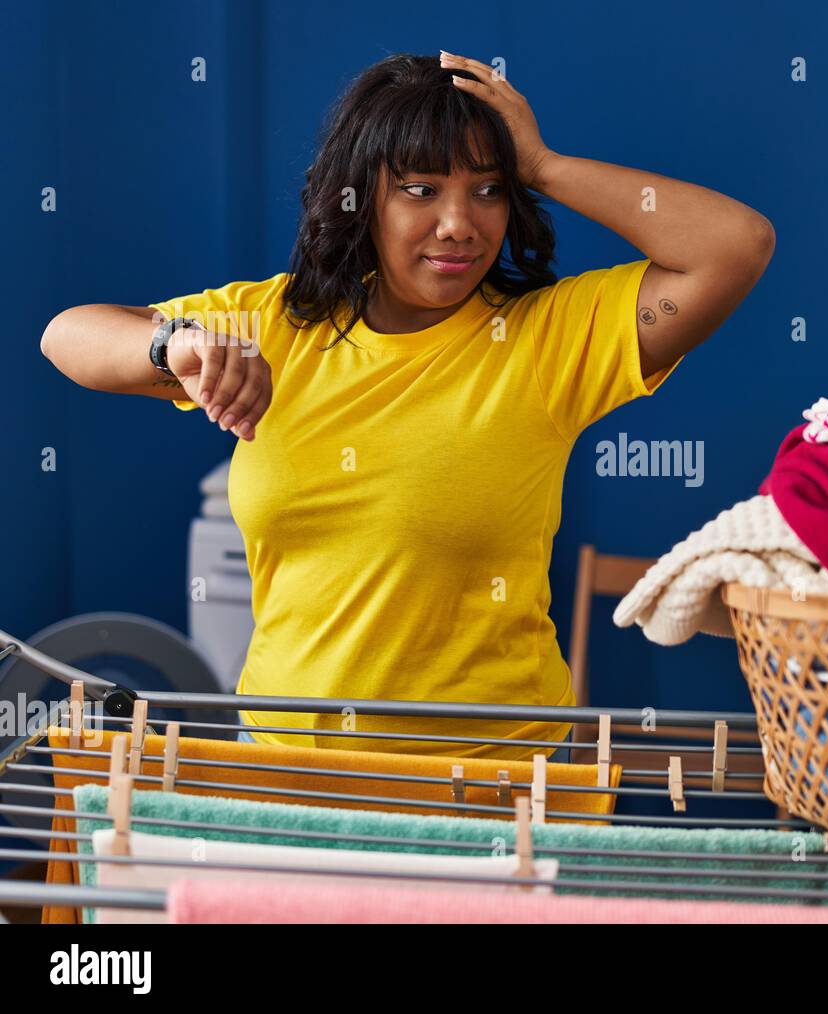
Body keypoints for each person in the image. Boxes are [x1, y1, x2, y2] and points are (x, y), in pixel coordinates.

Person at [39, 52, 775, 760]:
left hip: (500, 789)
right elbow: (65, 335)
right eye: (421, 189)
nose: (460, 223)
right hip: (283, 775)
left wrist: (543, 164)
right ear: (360, 196)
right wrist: (177, 348)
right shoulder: (273, 325)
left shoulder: (547, 340)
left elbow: (735, 244)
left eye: (488, 189)